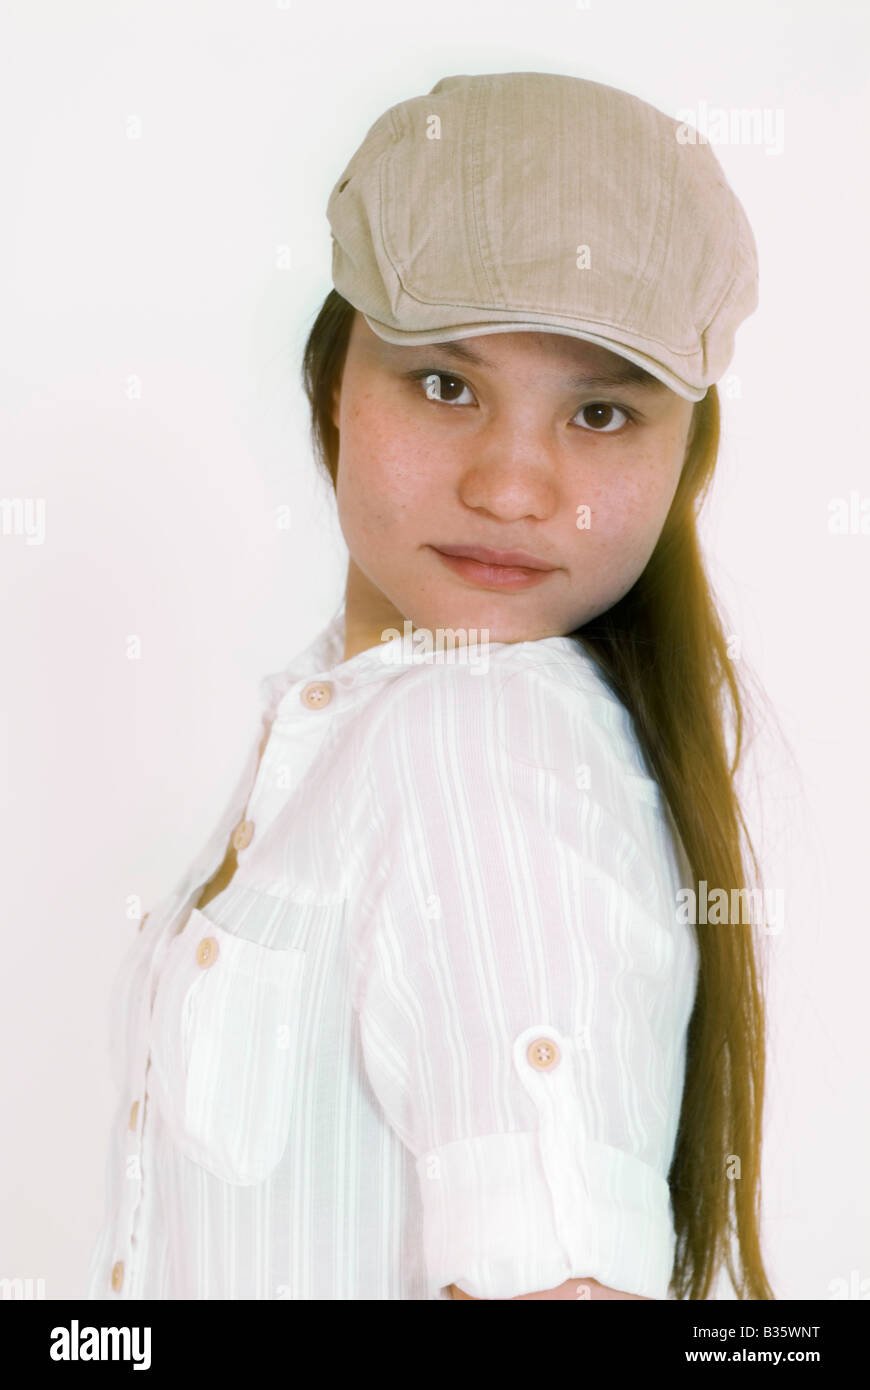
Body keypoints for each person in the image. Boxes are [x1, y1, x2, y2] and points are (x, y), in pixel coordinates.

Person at [86, 71, 774, 1301]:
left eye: (604, 413)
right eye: (447, 385)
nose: (513, 487)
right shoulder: (344, 728)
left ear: (686, 458)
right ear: (330, 384)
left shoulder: (477, 735)